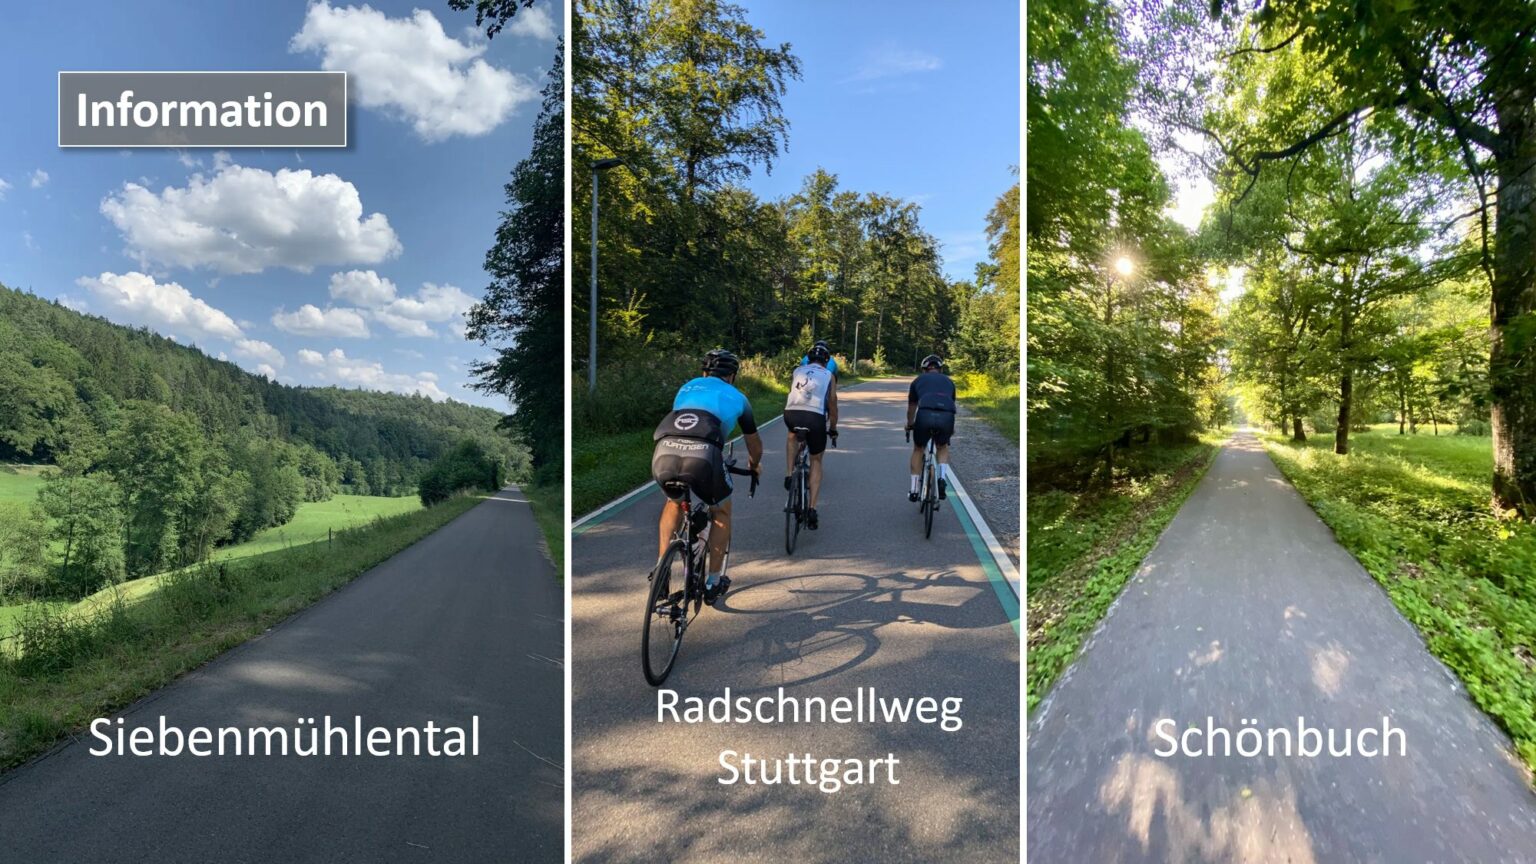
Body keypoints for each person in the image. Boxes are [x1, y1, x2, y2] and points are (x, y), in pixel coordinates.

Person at [651, 349, 762, 603]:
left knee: (674, 502)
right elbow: (753, 442)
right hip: (704, 457)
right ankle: (713, 581)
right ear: (732, 376)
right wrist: (755, 465)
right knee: (721, 511)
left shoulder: (686, 388)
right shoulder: (739, 398)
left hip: (664, 452)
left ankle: (661, 570)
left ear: (704, 372)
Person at [782, 343, 838, 529]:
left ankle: (789, 474)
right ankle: (812, 508)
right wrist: (833, 427)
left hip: (791, 413)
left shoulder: (798, 370)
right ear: (826, 361)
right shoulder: (829, 375)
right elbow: (832, 404)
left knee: (792, 434)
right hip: (815, 417)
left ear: (808, 359)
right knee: (816, 460)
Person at [906, 354, 956, 502]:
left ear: (924, 369)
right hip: (946, 416)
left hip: (925, 414)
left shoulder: (917, 381)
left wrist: (910, 424)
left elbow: (912, 407)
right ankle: (941, 478)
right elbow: (951, 405)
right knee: (942, 446)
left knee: (918, 448)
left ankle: (914, 490)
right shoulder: (949, 382)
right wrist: (951, 428)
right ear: (940, 369)